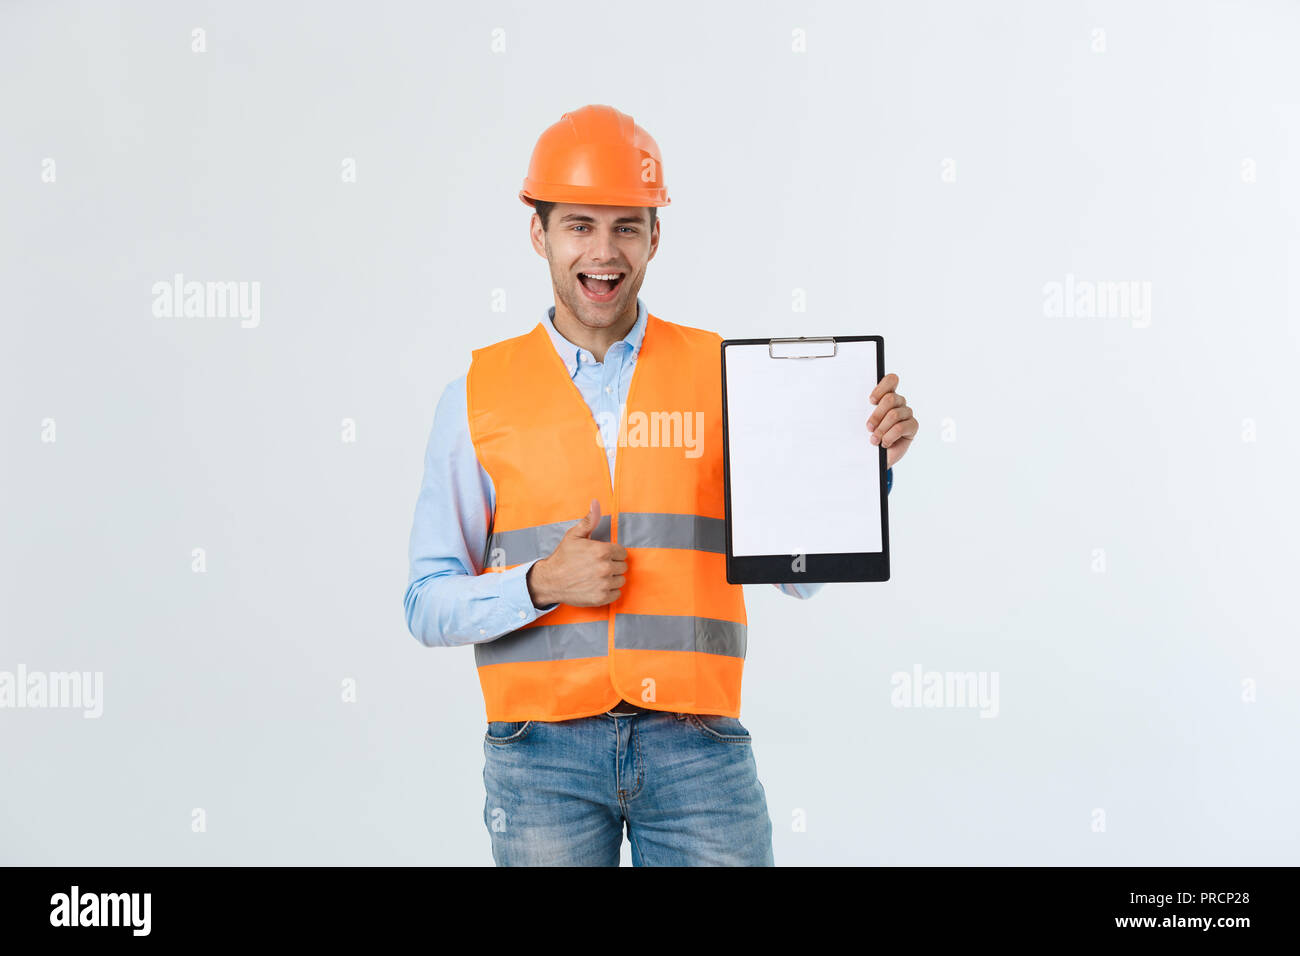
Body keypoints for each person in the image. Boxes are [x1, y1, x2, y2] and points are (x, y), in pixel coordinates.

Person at [404, 105, 918, 865]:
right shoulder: (477, 394)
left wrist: (862, 471)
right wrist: (540, 582)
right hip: (538, 753)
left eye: (627, 227)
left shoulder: (723, 376)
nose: (604, 252)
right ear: (538, 233)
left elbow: (798, 581)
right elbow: (426, 603)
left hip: (698, 746)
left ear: (655, 235)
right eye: (579, 225)